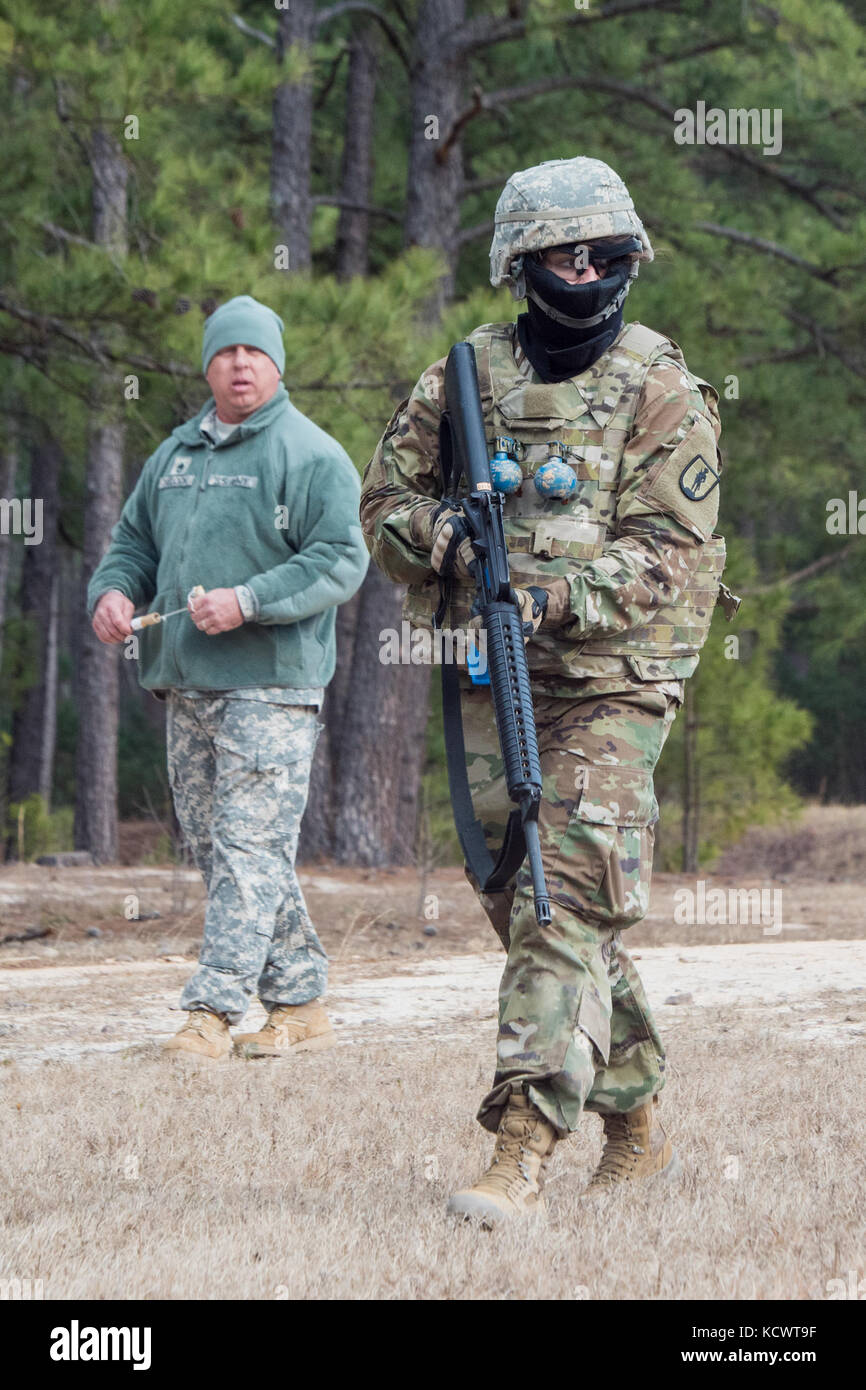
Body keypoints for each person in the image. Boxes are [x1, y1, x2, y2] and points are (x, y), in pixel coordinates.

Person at [360, 157, 735, 1223]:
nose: (582, 270)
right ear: (520, 262)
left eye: (601, 253)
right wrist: (444, 538)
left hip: (614, 679)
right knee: (529, 905)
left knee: (564, 898)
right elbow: (380, 499)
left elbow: (669, 550)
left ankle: (520, 1144)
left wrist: (551, 596)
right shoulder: (463, 375)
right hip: (493, 673)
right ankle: (637, 1116)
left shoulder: (660, 383)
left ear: (626, 259)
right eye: (561, 253)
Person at [90, 294, 368, 1061]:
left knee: (247, 848)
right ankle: (302, 1000)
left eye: (254, 352)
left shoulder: (310, 453)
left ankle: (210, 1013)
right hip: (187, 683)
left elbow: (341, 558)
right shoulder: (175, 457)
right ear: (207, 364)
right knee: (227, 852)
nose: (239, 364)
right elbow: (132, 546)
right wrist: (112, 593)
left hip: (271, 685)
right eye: (225, 352)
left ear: (276, 365)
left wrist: (250, 601)